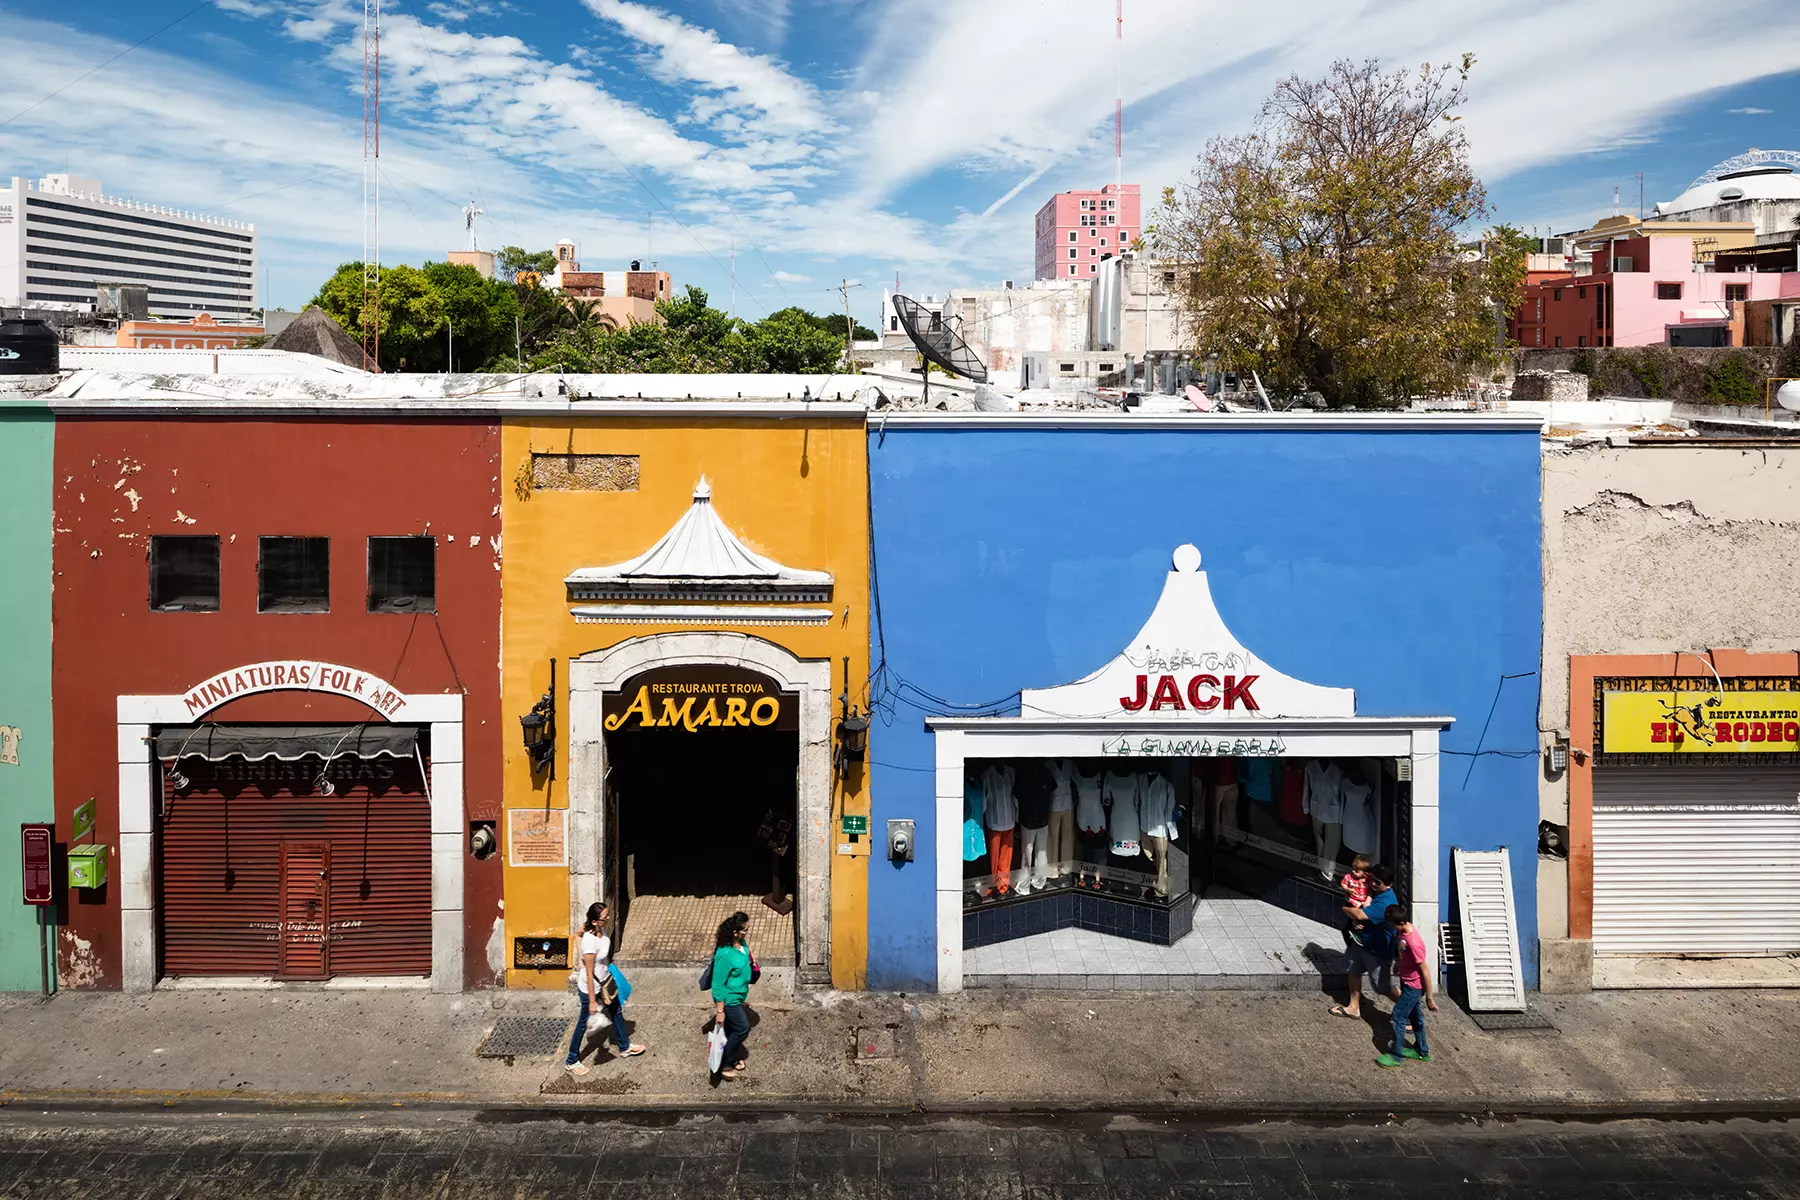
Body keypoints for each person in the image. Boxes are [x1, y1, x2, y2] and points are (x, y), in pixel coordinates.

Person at [564, 901, 646, 1076]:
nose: (608, 918)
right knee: (582, 1025)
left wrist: (579, 958)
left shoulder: (596, 929)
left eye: (607, 915)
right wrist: (593, 1001)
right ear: (594, 921)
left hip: (605, 981)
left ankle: (624, 1047)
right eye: (604, 917)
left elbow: (576, 934)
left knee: (616, 1011)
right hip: (591, 988)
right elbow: (588, 973)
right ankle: (571, 1060)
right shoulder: (589, 941)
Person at [1330, 863, 1399, 1020]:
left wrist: (1346, 909)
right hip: (1363, 943)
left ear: (1389, 884)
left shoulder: (1386, 903)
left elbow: (1360, 915)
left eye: (1378, 882)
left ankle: (1410, 1013)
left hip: (1377, 952)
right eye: (1373, 880)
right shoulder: (1376, 892)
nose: (1373, 884)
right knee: (1353, 970)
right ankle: (1354, 1007)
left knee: (1382, 987)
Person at [1377, 905, 1436, 1067]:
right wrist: (1399, 963)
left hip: (1414, 987)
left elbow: (1425, 971)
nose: (1390, 927)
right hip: (1407, 981)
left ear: (1401, 923)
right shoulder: (1403, 932)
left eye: (1392, 925)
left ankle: (1395, 1056)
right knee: (1415, 1017)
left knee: (1398, 1017)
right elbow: (1402, 949)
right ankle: (1422, 1051)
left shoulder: (1414, 942)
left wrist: (1430, 998)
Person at [710, 912, 755, 1081]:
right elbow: (718, 985)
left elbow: (743, 953)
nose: (747, 933)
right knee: (742, 1028)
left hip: (738, 995)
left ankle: (729, 1054)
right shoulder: (725, 954)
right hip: (730, 1000)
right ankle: (727, 1063)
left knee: (730, 1029)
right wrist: (720, 1010)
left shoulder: (740, 943)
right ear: (735, 932)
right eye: (745, 930)